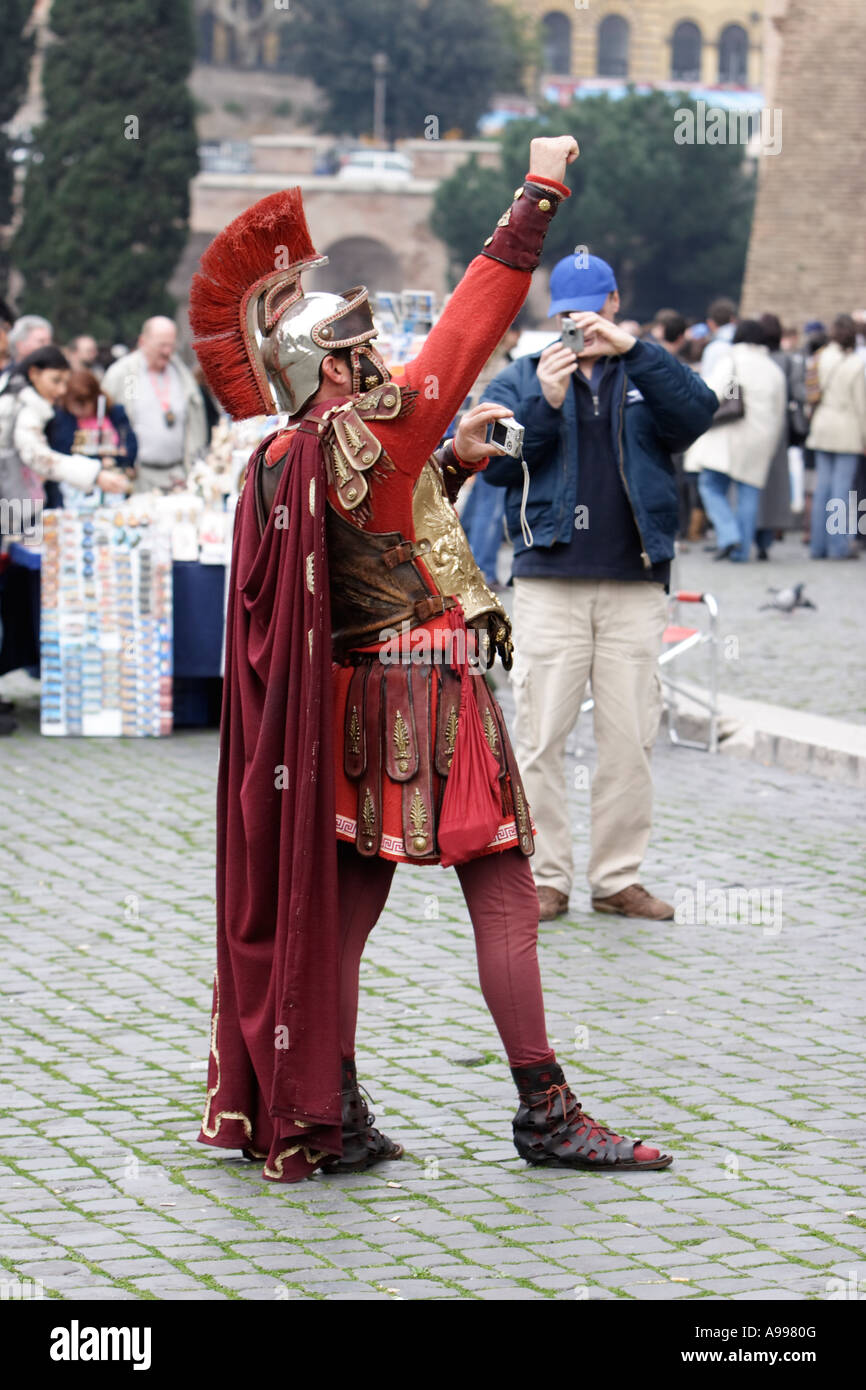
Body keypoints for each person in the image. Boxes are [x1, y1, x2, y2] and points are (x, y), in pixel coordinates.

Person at [189, 136, 674, 1183]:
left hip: (348, 705)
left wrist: (446, 467)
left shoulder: (286, 455)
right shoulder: (383, 428)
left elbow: (370, 554)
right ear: (332, 369)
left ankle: (333, 1104)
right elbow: (475, 318)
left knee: (343, 914)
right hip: (431, 697)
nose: (379, 361)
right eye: (359, 350)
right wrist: (537, 192)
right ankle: (545, 1112)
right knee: (502, 890)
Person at [481, 254, 718, 923]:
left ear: (614, 301)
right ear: (553, 311)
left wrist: (638, 352)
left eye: (593, 308)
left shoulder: (642, 369)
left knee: (630, 737)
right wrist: (545, 408)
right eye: (569, 312)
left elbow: (697, 414)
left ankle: (617, 878)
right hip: (549, 579)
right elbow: (494, 467)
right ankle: (548, 878)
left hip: (634, 577)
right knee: (540, 736)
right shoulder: (524, 377)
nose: (581, 323)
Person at [686, 320, 787, 562]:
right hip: (761, 438)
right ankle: (742, 550)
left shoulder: (732, 361)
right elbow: (779, 410)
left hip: (729, 435)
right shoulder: (773, 369)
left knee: (710, 485)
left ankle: (730, 535)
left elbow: (713, 394)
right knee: (748, 493)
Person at [0, 347, 130, 508]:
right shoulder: (24, 407)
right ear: (34, 373)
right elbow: (37, 456)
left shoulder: (19, 399)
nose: (62, 390)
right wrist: (94, 475)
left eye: (64, 382)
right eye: (55, 380)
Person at [102, 316, 207, 493]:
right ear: (143, 342)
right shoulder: (125, 374)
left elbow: (196, 422)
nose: (167, 351)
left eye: (171, 346)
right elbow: (105, 420)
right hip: (137, 477)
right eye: (161, 345)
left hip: (179, 474)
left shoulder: (180, 374)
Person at [459, 323, 521, 586]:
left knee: (477, 503)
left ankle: (465, 563)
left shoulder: (486, 356)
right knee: (491, 505)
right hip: (491, 433)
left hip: (477, 430)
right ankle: (484, 569)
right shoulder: (496, 357)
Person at [807, 314, 866, 560]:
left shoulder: (819, 358)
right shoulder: (856, 364)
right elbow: (862, 405)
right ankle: (838, 546)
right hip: (847, 427)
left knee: (822, 488)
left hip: (822, 424)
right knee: (842, 491)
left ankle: (817, 546)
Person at [752, 312, 805, 559]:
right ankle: (765, 540)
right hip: (777, 427)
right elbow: (798, 394)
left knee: (747, 485)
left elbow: (730, 393)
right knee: (774, 485)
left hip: (748, 426)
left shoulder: (741, 361)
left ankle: (743, 537)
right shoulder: (786, 362)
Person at [46, 369, 138, 507]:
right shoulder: (62, 420)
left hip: (114, 488)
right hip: (76, 493)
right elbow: (62, 455)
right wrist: (97, 463)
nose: (80, 410)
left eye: (84, 404)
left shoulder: (115, 414)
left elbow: (130, 446)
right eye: (75, 404)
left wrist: (114, 460)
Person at [0, 315, 53, 395]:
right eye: (41, 341)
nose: (47, 346)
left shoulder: (51, 377)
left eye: (49, 342)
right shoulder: (6, 378)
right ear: (20, 344)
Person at [700, 297, 738, 379]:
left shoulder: (713, 347)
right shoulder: (742, 343)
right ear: (733, 319)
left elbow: (706, 378)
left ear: (710, 323)